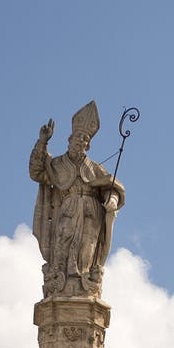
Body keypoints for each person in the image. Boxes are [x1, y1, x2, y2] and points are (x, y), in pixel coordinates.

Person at [29, 101, 125, 297]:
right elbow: (36, 172)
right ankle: (58, 281)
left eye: (85, 139)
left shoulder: (95, 168)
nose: (81, 141)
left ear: (88, 145)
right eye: (78, 137)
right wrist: (42, 142)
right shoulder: (56, 164)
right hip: (67, 210)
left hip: (91, 214)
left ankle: (85, 283)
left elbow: (111, 187)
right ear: (70, 139)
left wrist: (112, 200)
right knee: (62, 245)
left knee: (87, 252)